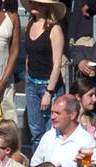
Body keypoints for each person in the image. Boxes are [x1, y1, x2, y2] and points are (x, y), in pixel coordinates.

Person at [29, 93, 96, 167]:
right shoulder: (48, 136)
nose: (52, 117)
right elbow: (35, 164)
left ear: (72, 115)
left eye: (58, 113)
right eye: (52, 112)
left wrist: (80, 166)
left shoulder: (86, 143)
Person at [21, 0, 66, 149]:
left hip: (49, 84)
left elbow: (57, 64)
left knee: (51, 131)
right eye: (33, 3)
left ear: (47, 8)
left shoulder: (54, 29)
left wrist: (49, 91)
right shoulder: (29, 25)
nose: (35, 6)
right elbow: (29, 55)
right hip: (32, 82)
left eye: (39, 4)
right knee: (36, 132)